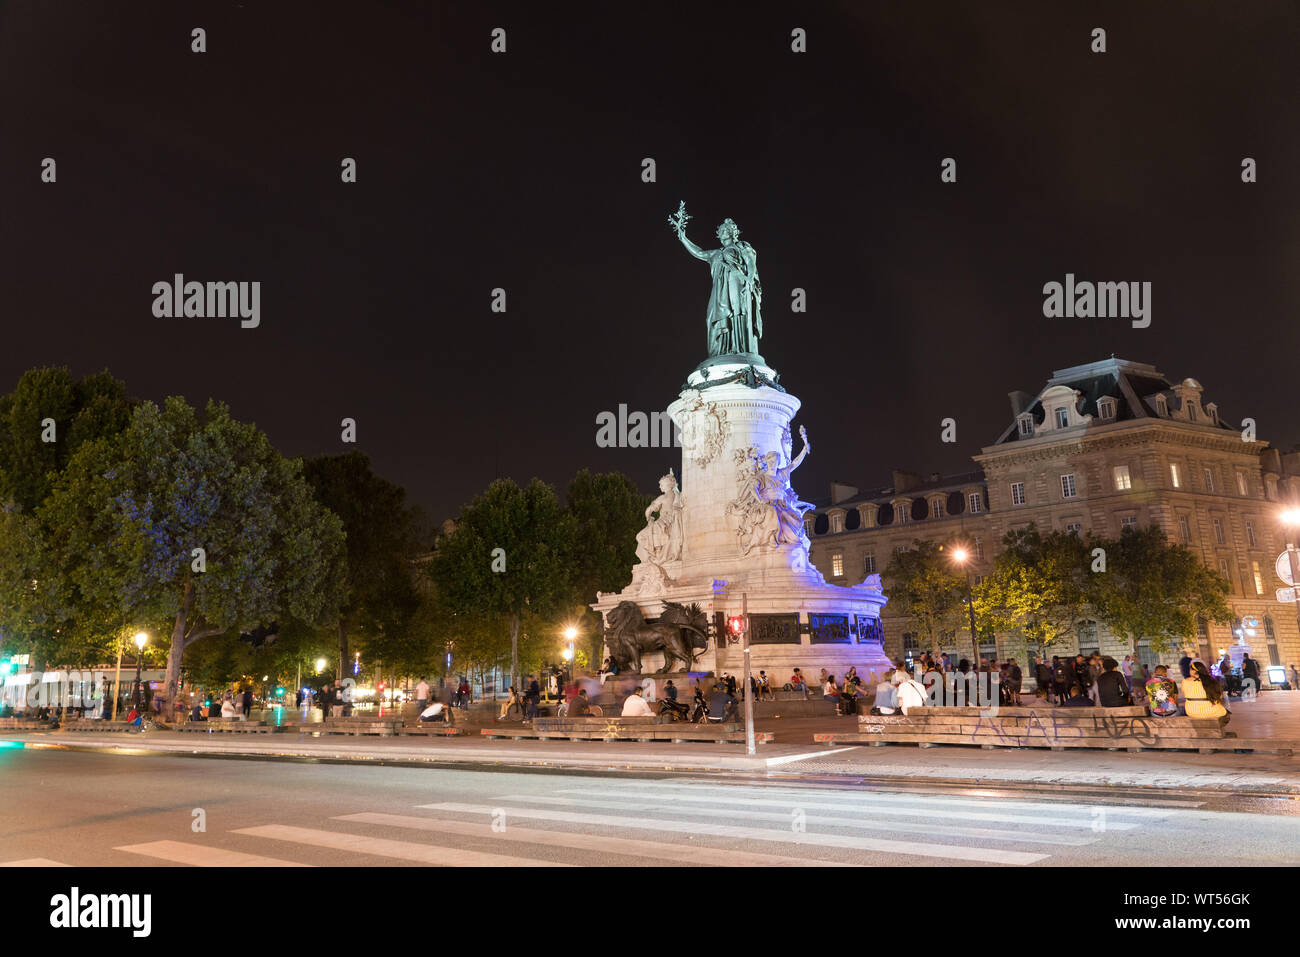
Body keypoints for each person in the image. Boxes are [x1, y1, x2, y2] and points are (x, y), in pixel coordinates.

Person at [1183, 661, 1232, 731]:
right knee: (1226, 714)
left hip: (1192, 711)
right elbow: (1219, 697)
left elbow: (1185, 693)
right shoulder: (1212, 681)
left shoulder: (1185, 681)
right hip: (1212, 712)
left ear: (1192, 671)